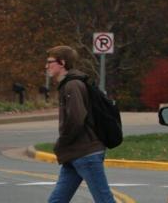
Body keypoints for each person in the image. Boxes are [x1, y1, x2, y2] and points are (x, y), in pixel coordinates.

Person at [45, 45, 116, 203]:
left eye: (50, 62)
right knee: (58, 199)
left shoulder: (72, 85)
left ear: (62, 62)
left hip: (85, 153)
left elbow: (76, 119)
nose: (47, 66)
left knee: (104, 199)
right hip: (75, 153)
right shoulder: (69, 84)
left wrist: (62, 142)